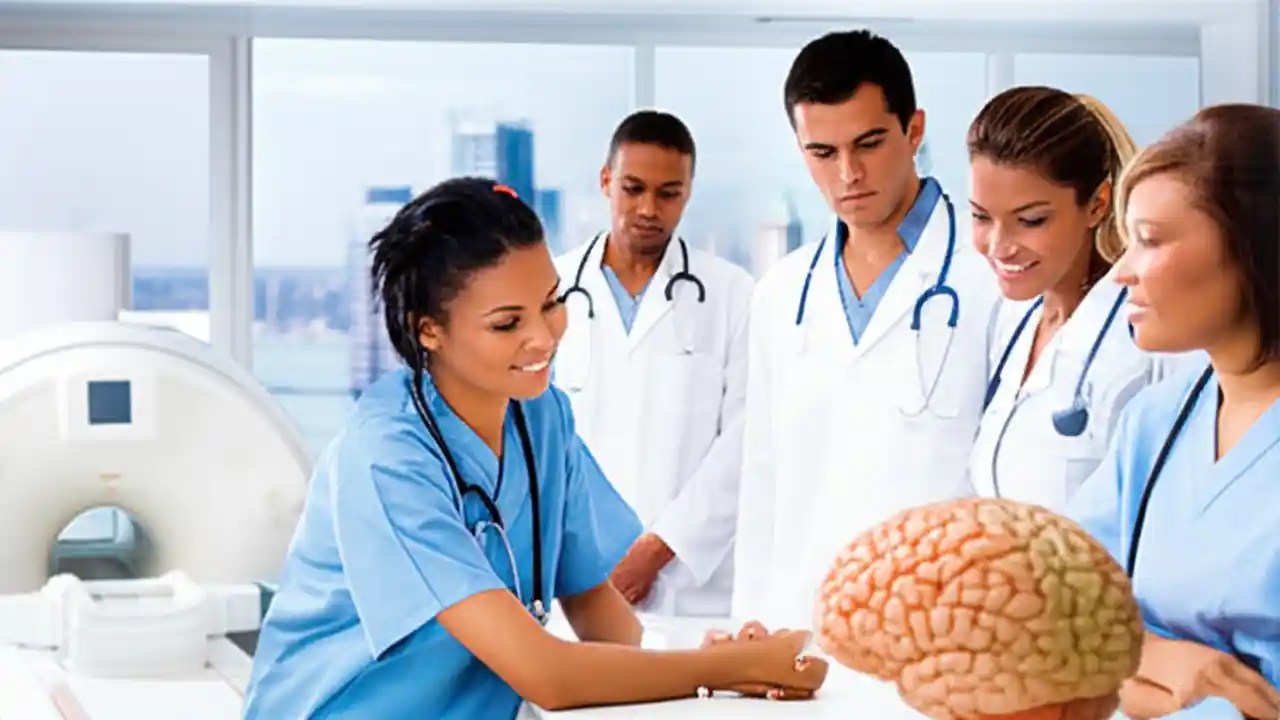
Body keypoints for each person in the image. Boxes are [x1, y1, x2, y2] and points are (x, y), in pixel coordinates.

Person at [242, 178, 827, 719]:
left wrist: (712, 663)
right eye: (506, 323)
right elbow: (545, 675)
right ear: (429, 330)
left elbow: (601, 616)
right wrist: (721, 668)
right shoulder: (385, 461)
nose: (544, 337)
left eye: (551, 302)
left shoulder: (541, 418)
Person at [732, 29, 1001, 629]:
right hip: (803, 629)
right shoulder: (782, 293)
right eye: (821, 153)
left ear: (915, 130)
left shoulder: (988, 277)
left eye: (870, 143)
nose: (848, 173)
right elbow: (763, 484)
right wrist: (753, 627)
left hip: (943, 625)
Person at [1068, 104, 1280, 720]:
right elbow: (1061, 603)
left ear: (1256, 246)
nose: (1121, 272)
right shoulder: (1158, 421)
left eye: (1151, 240)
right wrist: (1152, 659)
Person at [554, 110, 754, 618]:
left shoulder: (733, 294)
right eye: (633, 188)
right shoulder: (550, 290)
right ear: (606, 182)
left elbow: (745, 440)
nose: (648, 208)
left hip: (689, 585)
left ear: (687, 193)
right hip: (574, 575)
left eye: (668, 193)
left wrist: (656, 549)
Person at [964, 86, 1190, 512]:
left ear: (1097, 204)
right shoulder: (1011, 321)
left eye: (1030, 220)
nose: (999, 246)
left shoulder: (1149, 334)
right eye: (980, 216)